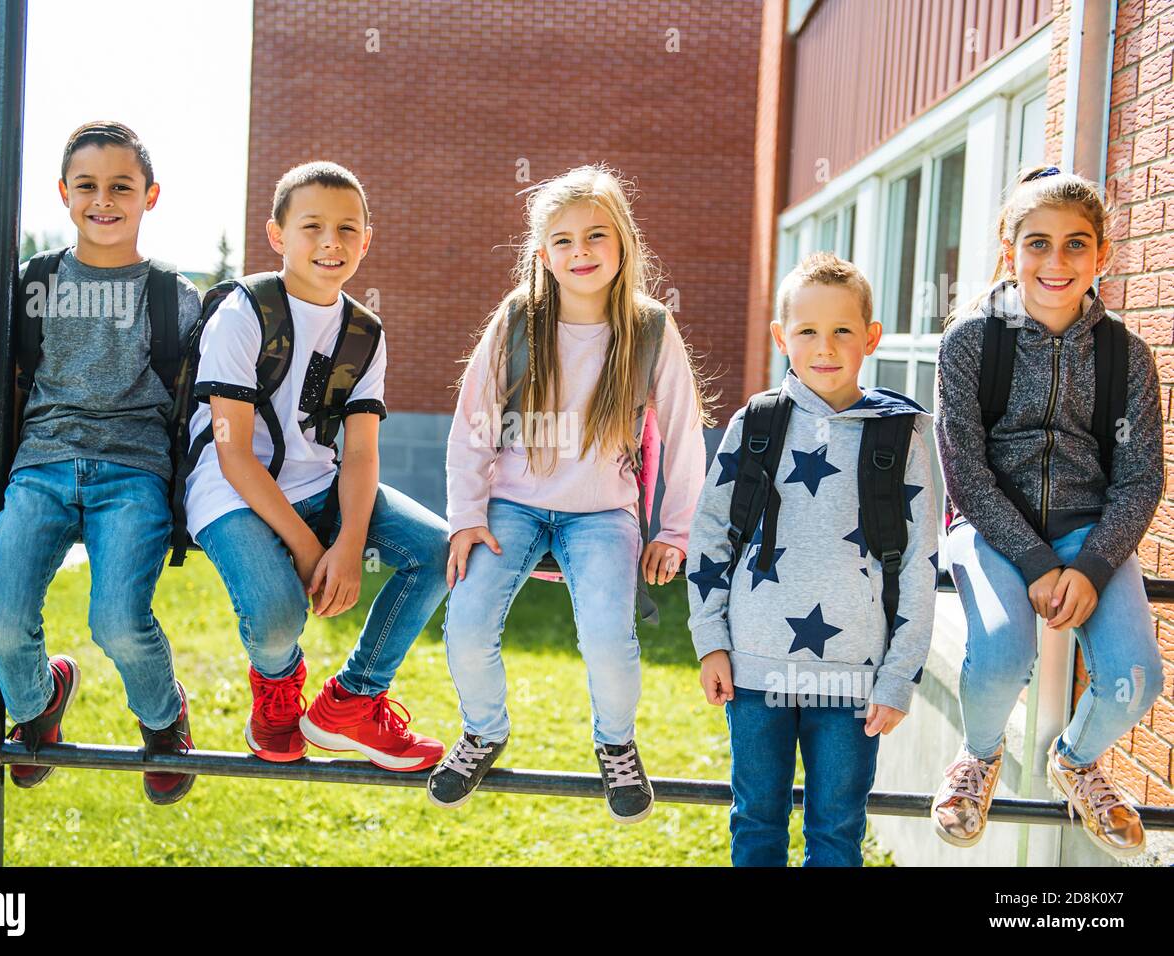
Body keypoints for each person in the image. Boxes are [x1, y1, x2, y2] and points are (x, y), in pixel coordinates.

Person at [427, 165, 710, 823]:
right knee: (466, 623)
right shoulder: (519, 320)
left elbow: (684, 432)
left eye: (595, 235)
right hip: (512, 504)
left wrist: (675, 531)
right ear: (542, 252)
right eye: (562, 240)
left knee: (609, 635)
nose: (580, 252)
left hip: (602, 513)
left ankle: (615, 743)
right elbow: (473, 422)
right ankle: (483, 731)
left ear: (624, 241)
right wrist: (467, 515)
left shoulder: (650, 328)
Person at [930, 166, 1164, 858]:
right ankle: (977, 757)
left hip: (1092, 530)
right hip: (988, 527)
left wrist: (1091, 566)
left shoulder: (1128, 355)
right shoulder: (971, 341)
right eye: (1037, 244)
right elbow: (963, 468)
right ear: (1010, 250)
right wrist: (1032, 560)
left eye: (1075, 245)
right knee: (1003, 653)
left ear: (1102, 256)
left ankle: (1078, 759)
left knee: (1137, 678)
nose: (1055, 262)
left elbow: (1141, 475)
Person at [186, 161, 448, 770]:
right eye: (312, 226)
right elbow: (231, 452)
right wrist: (310, 549)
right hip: (231, 490)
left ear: (366, 238)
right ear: (277, 235)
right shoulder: (243, 313)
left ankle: (352, 702)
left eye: (347, 228)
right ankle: (276, 694)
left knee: (437, 549)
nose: (331, 242)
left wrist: (350, 543)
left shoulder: (366, 332)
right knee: (279, 615)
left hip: (321, 483)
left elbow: (359, 451)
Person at [0, 121, 201, 804]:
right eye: (88, 186)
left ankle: (165, 722)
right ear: (64, 194)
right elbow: (10, 378)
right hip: (42, 466)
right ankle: (42, 699)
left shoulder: (173, 294)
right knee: (0, 622)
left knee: (118, 623)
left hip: (131, 473)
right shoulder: (33, 283)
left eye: (121, 186)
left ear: (150, 196)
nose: (104, 199)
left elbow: (200, 398)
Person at [688, 251, 938, 866]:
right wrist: (709, 638)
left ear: (872, 338)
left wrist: (898, 675)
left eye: (842, 331)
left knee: (836, 834)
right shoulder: (757, 423)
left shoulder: (900, 434)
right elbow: (711, 533)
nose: (824, 347)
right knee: (756, 824)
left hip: (855, 680)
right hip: (754, 672)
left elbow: (920, 563)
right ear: (782, 338)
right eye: (807, 331)